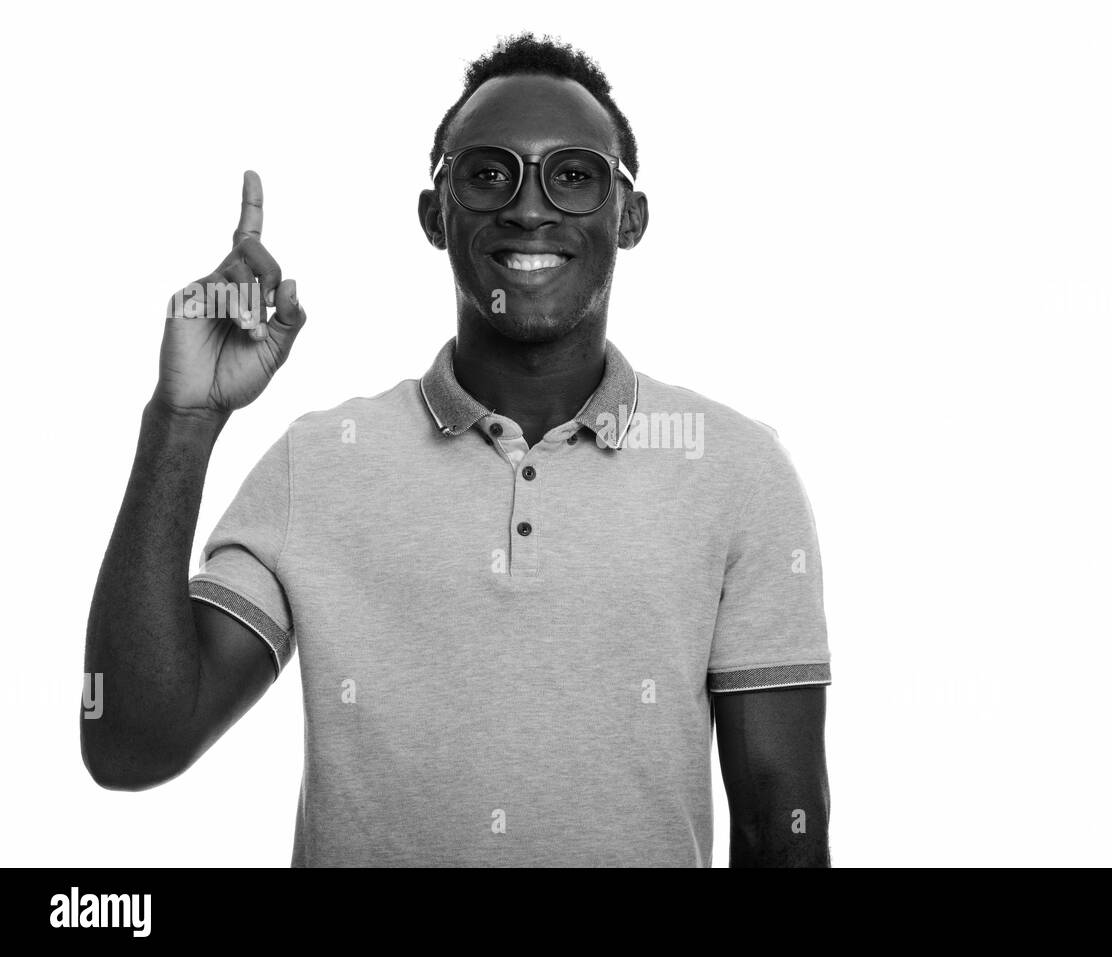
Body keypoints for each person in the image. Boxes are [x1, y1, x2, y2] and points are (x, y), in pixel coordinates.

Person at [82, 32, 831, 867]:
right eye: (490, 172)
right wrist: (182, 417)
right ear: (437, 215)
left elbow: (780, 828)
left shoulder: (735, 469)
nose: (530, 207)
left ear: (630, 216)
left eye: (574, 175)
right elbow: (128, 743)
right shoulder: (322, 463)